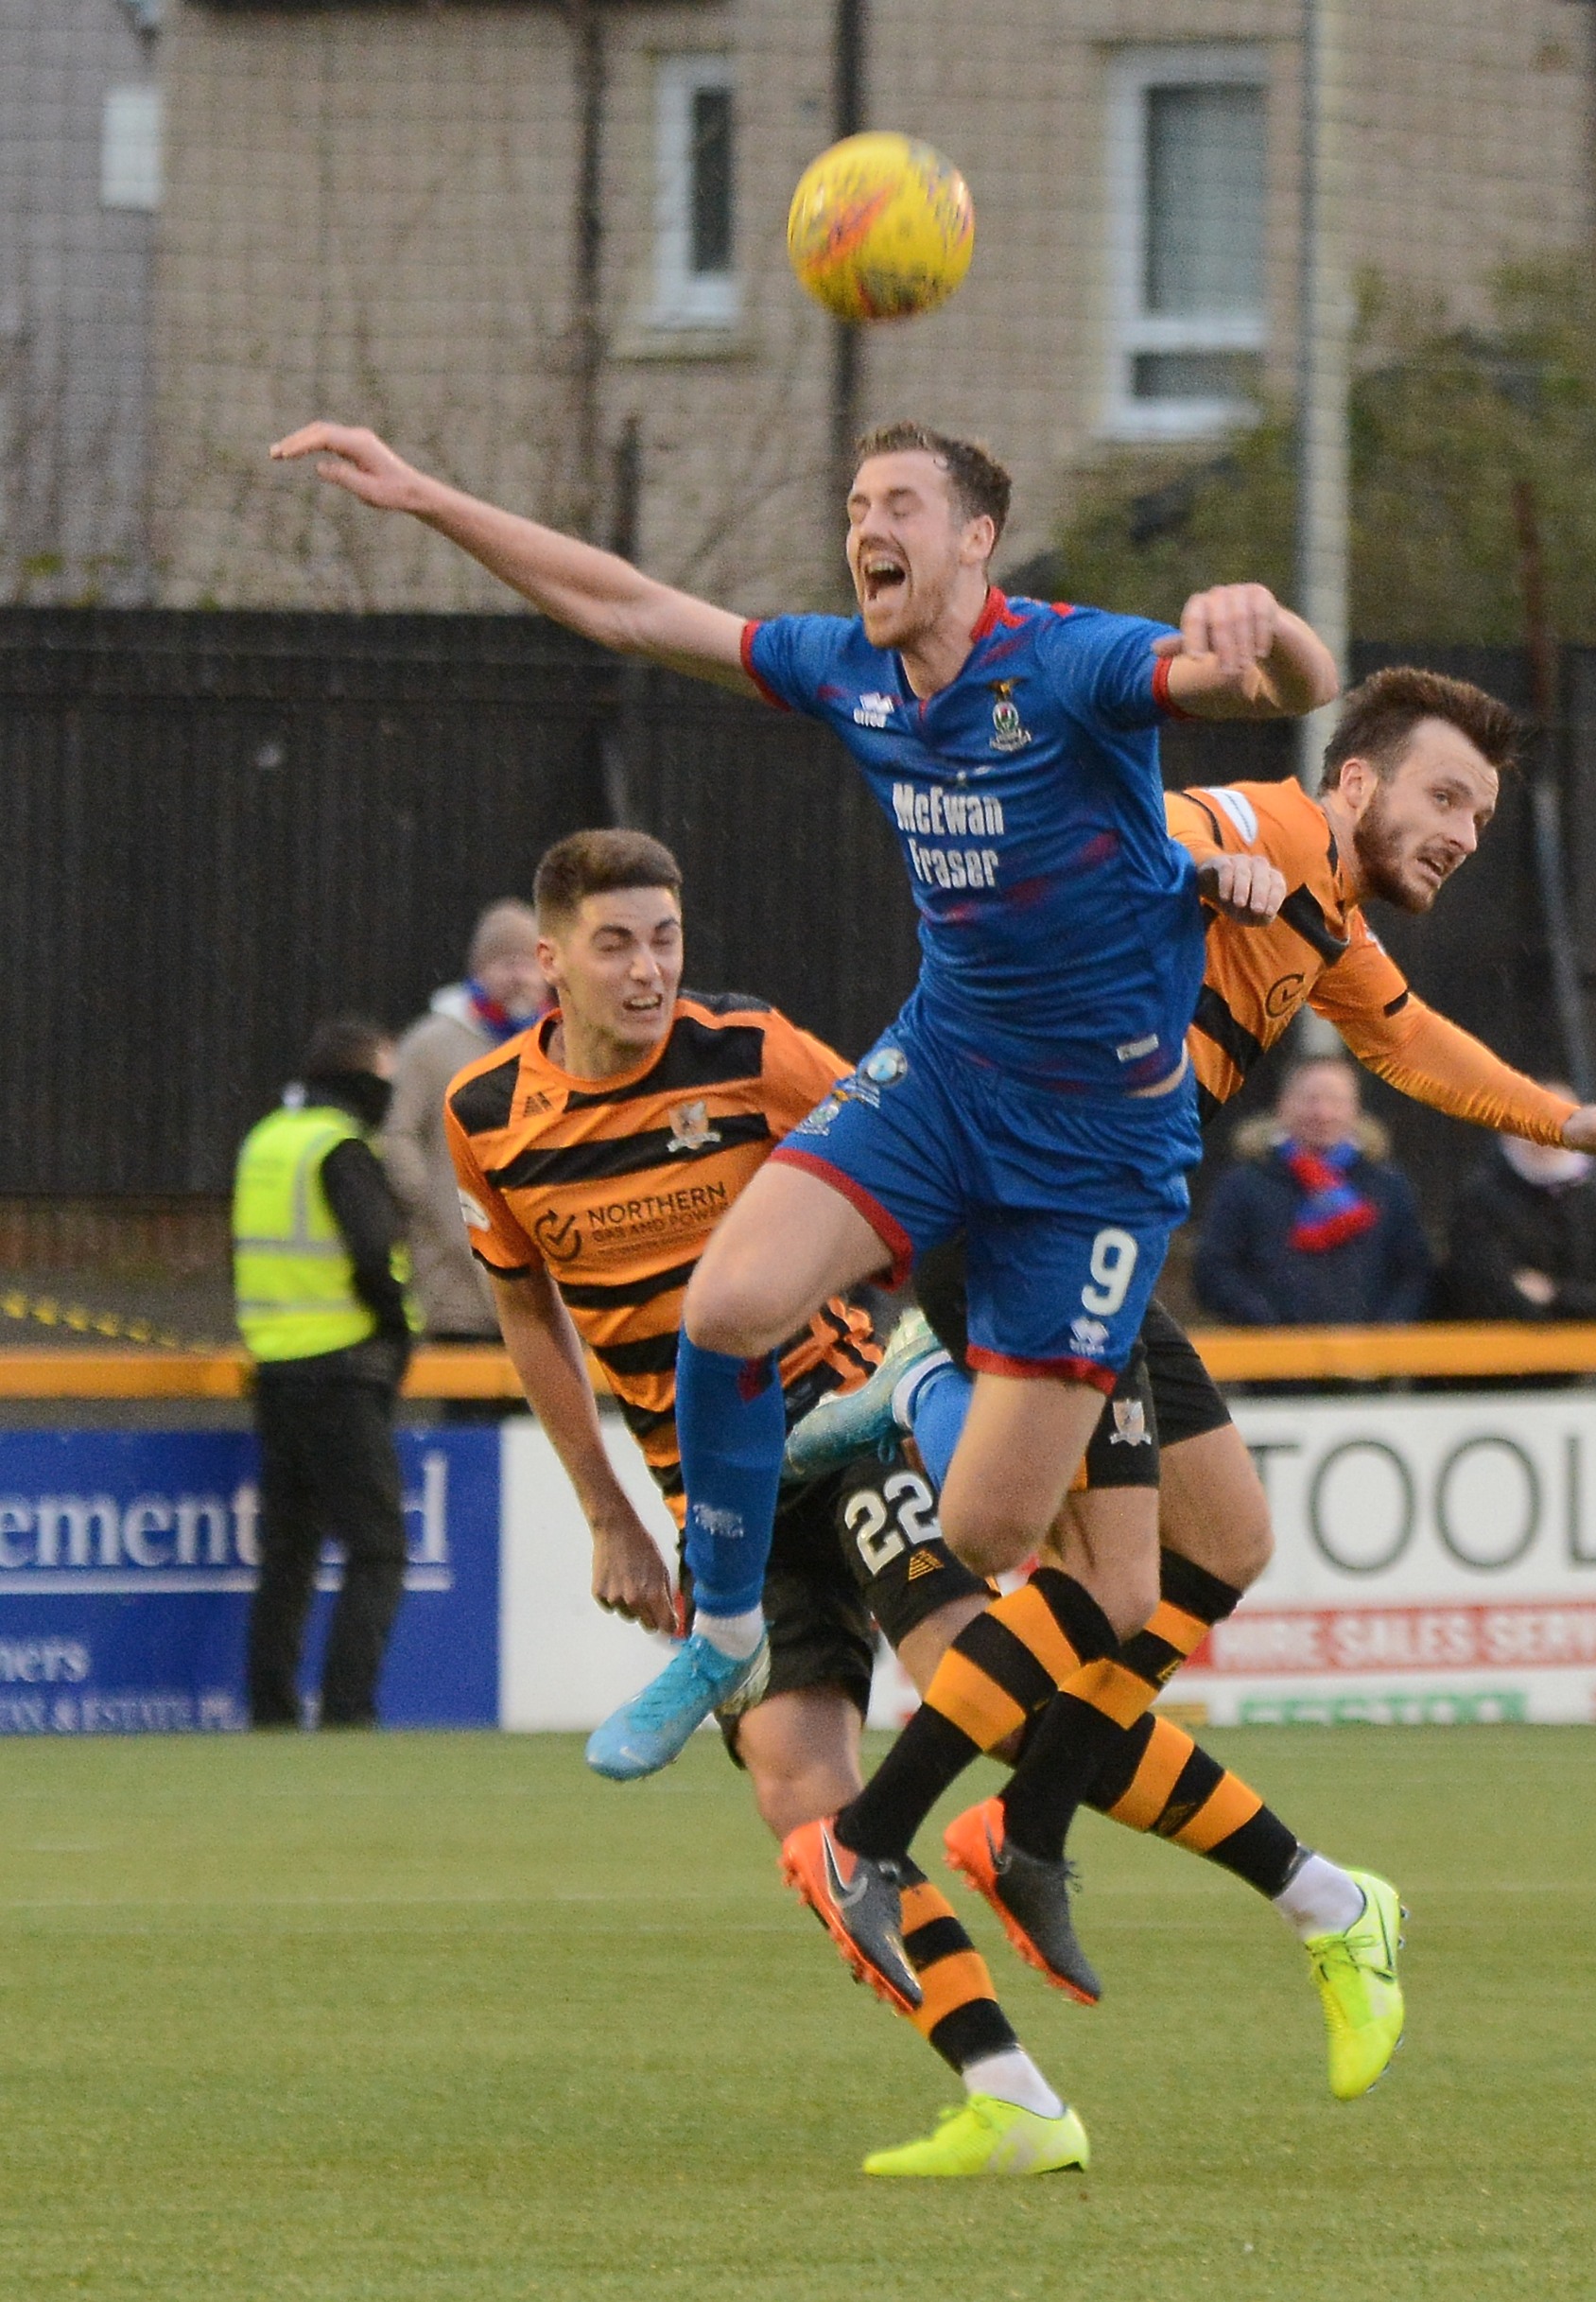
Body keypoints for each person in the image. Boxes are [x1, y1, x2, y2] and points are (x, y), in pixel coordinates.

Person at [271, 413, 1334, 2014]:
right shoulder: (848, 666)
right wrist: (426, 496)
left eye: (898, 503)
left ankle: (911, 1526)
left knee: (986, 1534)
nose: (865, 526)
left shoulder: (1072, 662)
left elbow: (1278, 690)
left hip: (1096, 1154)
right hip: (939, 1073)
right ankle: (720, 1613)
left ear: (979, 536)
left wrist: (1276, 631)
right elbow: (632, 604)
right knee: (727, 1304)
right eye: (853, 504)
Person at [446, 828, 1390, 2175]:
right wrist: (605, 1508)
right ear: (549, 963)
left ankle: (1327, 1895)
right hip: (717, 1502)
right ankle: (1010, 2094)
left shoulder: (754, 1051)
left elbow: (932, 1155)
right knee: (802, 1802)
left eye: (664, 936)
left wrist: (942, 1349)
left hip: (854, 1428)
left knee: (986, 1700)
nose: (650, 968)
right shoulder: (485, 1115)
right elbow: (524, 1310)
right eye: (615, 943)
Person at [788, 664, 1596, 2020]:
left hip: (1084, 1227)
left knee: (1225, 1545)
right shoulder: (1261, 830)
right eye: (1444, 794)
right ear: (1352, 781)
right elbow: (1116, 830)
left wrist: (1558, 1120)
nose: (1462, 830)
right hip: (1029, 1215)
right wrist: (1203, 869)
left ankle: (1023, 1827)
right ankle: (869, 1842)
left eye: (1481, 813)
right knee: (1103, 1590)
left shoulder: (1326, 914)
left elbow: (1406, 1041)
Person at [232, 1019, 415, 1728]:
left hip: (275, 1368)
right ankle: (347, 1712)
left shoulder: (265, 1141)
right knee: (378, 1548)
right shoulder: (339, 1147)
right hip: (342, 1370)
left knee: (289, 1553)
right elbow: (374, 1254)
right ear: (362, 1080)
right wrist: (397, 1328)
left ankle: (271, 1711)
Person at [383, 900, 546, 1341]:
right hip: (457, 1283)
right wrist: (434, 1206)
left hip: (546, 1289)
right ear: (479, 969)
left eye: (528, 963)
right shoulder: (430, 1044)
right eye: (504, 963)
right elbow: (398, 1136)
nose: (519, 977)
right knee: (467, 1405)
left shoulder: (560, 1043)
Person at [1193, 1055, 1432, 1326]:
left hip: (1372, 1359)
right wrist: (1268, 1325)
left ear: (1356, 1109)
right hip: (1270, 1359)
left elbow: (1414, 1273)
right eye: (1310, 1100)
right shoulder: (1244, 1184)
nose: (1323, 1113)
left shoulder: (1388, 1186)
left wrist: (1386, 1333)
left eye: (1336, 1101)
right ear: (1282, 1105)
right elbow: (1214, 1271)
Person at [1445, 1094, 1596, 1322]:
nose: (1546, 1138)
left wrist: (1556, 1294)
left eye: (1559, 1125)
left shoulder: (1594, 1201)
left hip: (1595, 1351)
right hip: (1503, 1350)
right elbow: (1490, 1293)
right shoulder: (1479, 1200)